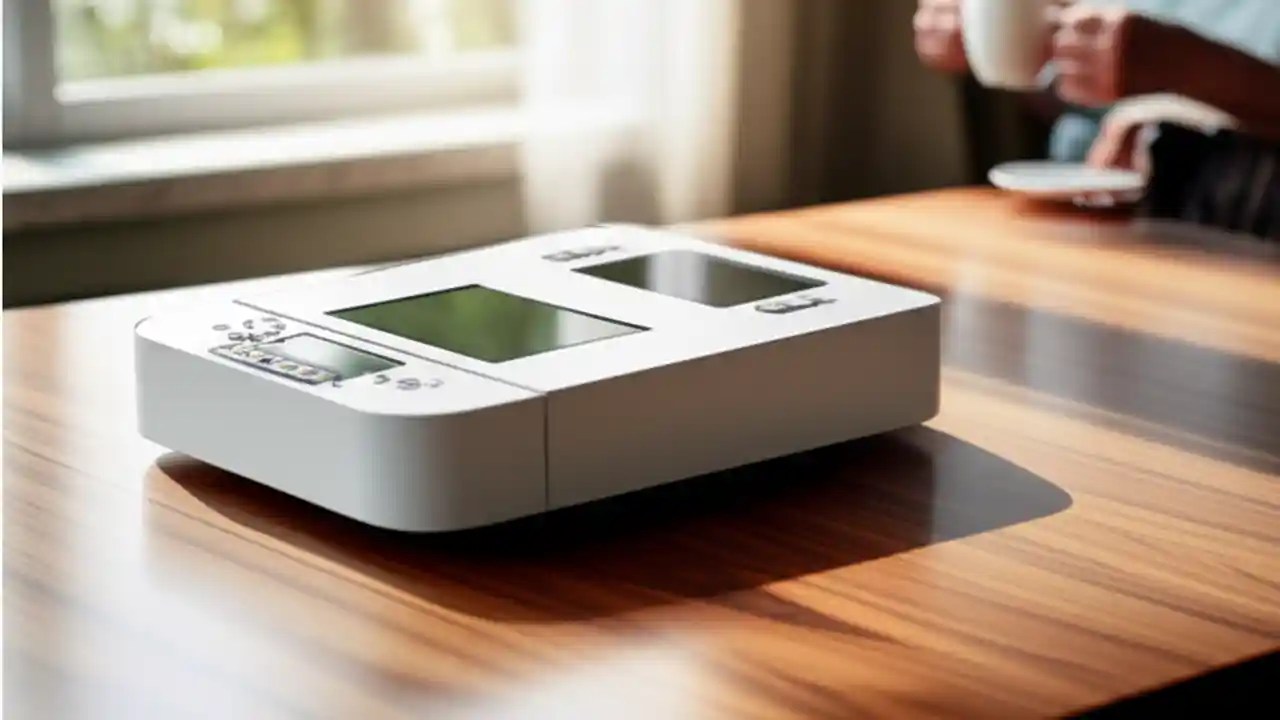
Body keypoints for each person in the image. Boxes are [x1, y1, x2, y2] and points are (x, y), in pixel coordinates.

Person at [914, 0, 1280, 235]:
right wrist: (988, 42)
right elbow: (1065, 95)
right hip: (1071, 231)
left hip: (1232, 252)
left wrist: (1193, 70)